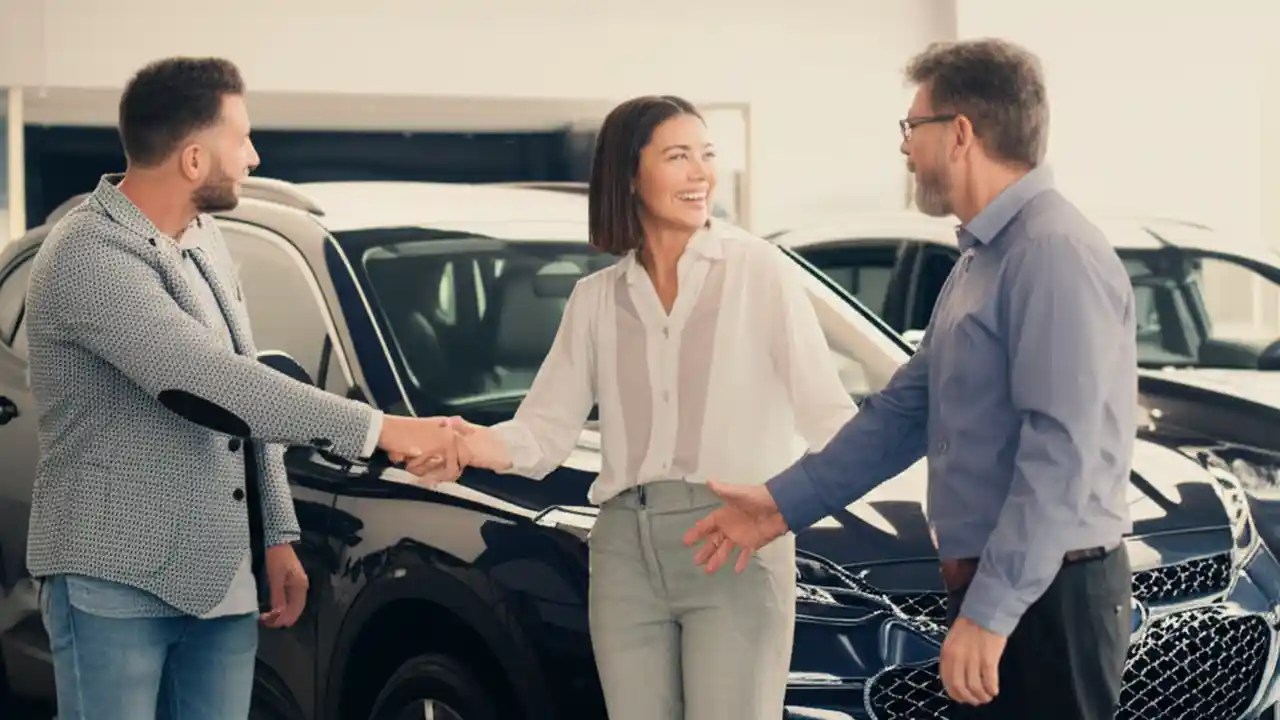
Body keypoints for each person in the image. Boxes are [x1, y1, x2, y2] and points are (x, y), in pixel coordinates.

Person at [683, 38, 1137, 720]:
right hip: (1010, 591)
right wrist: (780, 505)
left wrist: (990, 612)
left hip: (1046, 599)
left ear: (959, 134)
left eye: (911, 127)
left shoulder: (1052, 253)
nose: (903, 148)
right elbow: (904, 410)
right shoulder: (983, 257)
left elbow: (1060, 455)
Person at [24, 56, 464, 720]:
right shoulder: (88, 253)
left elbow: (244, 383)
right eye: (243, 139)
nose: (253, 157)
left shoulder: (204, 240)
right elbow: (204, 381)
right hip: (114, 580)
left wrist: (278, 535)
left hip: (219, 580)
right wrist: (384, 431)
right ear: (195, 159)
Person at [448, 95, 854, 719]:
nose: (701, 174)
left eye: (707, 155)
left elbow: (829, 417)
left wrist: (784, 507)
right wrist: (463, 442)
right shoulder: (595, 299)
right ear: (630, 174)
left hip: (732, 542)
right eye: (678, 156)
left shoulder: (758, 272)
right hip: (622, 553)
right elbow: (543, 433)